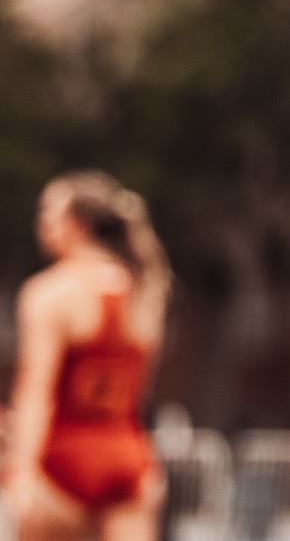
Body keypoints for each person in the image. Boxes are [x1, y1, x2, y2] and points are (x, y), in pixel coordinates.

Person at [5, 171, 171, 541]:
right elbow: (136, 393)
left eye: (48, 214)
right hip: (126, 454)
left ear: (76, 225)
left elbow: (36, 389)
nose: (41, 224)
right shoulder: (143, 288)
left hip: (61, 457)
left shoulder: (50, 292)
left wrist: (22, 470)